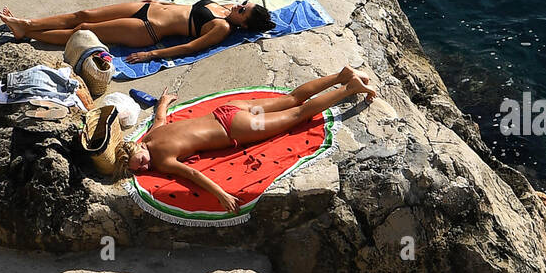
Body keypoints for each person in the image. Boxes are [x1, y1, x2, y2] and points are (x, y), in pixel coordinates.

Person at [114, 67, 375, 213]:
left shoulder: (162, 160)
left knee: (298, 113)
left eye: (141, 163)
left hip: (237, 129)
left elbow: (193, 175)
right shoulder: (150, 136)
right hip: (229, 109)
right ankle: (343, 75)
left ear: (136, 149)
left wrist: (222, 195)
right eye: (142, 169)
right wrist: (163, 102)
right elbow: (160, 117)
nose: (147, 168)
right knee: (292, 99)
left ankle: (349, 88)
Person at [0, 0, 274, 62]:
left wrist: (150, 56)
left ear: (244, 24)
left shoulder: (222, 27)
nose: (238, 6)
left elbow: (190, 48)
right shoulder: (226, 7)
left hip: (147, 28)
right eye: (243, 4)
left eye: (242, 11)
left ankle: (27, 30)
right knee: (84, 13)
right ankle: (26, 25)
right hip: (147, 6)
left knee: (84, 29)